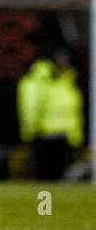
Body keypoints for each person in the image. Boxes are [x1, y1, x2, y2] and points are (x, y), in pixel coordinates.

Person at [18, 49, 83, 180]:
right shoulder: (41, 79)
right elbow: (31, 106)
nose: (64, 62)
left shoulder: (67, 81)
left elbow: (73, 111)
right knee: (45, 178)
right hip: (44, 134)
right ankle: (44, 201)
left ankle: (53, 200)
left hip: (64, 135)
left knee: (59, 179)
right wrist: (30, 130)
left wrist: (75, 135)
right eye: (60, 58)